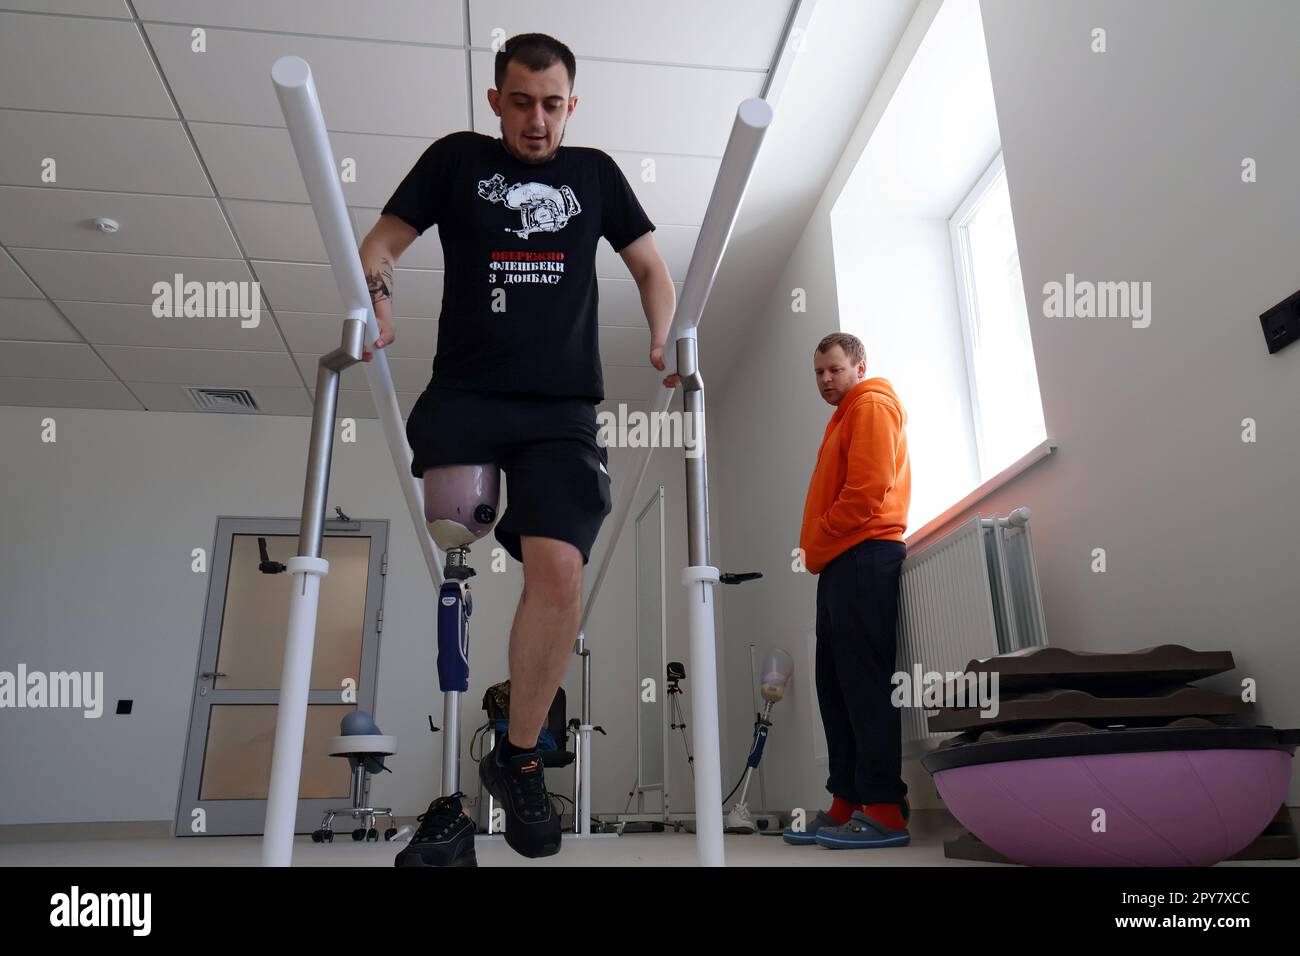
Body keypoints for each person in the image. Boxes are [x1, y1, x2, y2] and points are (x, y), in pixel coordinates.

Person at [358, 33, 677, 865]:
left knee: (561, 571)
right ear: (496, 99)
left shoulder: (596, 175)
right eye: (522, 102)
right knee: (455, 529)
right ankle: (473, 757)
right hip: (466, 397)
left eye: (554, 103)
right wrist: (379, 305)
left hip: (560, 409)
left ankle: (519, 753)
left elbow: (650, 268)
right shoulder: (456, 160)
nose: (538, 120)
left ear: (573, 104)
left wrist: (666, 336)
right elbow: (381, 245)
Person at [786, 332, 913, 850]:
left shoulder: (873, 405)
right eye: (818, 372)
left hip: (866, 556)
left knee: (864, 685)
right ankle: (847, 803)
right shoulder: (842, 417)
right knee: (834, 689)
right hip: (841, 563)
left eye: (834, 369)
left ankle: (884, 808)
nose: (825, 380)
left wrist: (821, 532)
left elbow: (868, 488)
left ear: (860, 365)